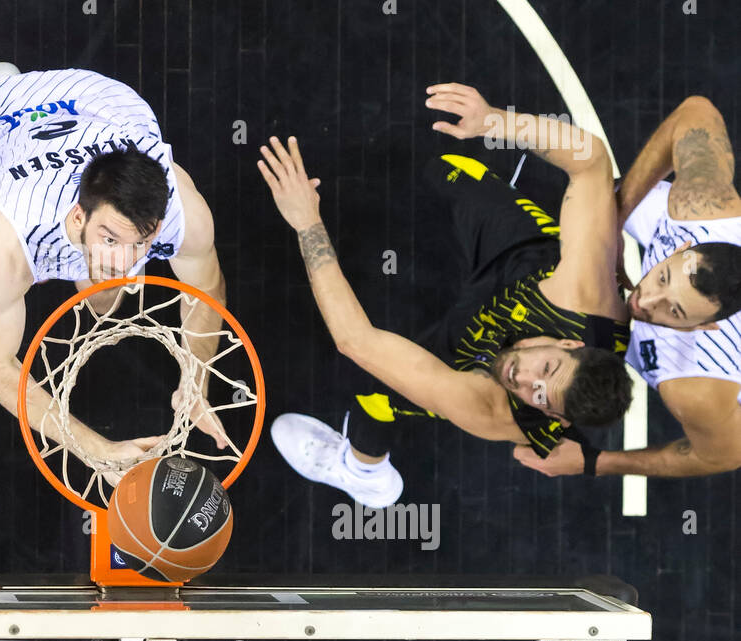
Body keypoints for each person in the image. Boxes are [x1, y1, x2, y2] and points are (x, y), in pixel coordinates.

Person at [260, 84, 633, 507]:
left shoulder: (492, 409)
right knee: (450, 168)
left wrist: (306, 220)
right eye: (547, 367)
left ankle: (364, 472)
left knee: (378, 389)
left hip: (469, 352)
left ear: (552, 416)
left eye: (541, 396)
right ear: (570, 343)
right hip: (521, 262)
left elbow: (356, 341)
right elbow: (591, 161)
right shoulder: (584, 294)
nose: (524, 379)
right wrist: (494, 120)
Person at [0, 63, 229, 468]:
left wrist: (197, 378)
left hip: (98, 100)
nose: (123, 260)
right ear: (77, 217)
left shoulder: (182, 212)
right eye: (110, 238)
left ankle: (6, 77)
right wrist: (97, 449)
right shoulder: (9, 238)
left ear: (157, 227)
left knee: (103, 296)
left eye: (139, 243)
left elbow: (206, 287)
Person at [516, 95, 741, 478]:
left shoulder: (694, 384)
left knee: (572, 348)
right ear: (685, 246)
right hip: (674, 236)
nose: (645, 300)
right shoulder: (701, 206)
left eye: (674, 311)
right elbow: (694, 111)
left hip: (697, 362)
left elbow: (721, 456)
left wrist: (593, 462)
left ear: (704, 327)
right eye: (663, 278)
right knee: (595, 204)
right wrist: (615, 224)